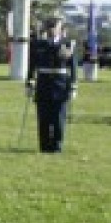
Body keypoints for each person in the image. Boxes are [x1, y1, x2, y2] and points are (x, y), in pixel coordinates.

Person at [26, 16, 78, 153]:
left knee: (58, 118)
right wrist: (29, 82)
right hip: (43, 84)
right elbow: (32, 65)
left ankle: (56, 147)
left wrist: (73, 86)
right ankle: (44, 146)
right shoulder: (38, 44)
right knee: (43, 118)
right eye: (50, 27)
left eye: (55, 27)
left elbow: (73, 67)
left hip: (60, 86)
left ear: (60, 29)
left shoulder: (67, 44)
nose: (52, 30)